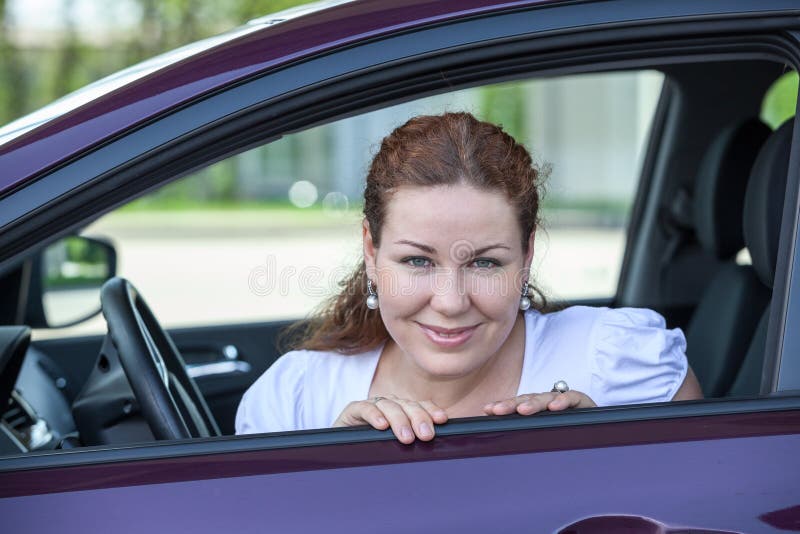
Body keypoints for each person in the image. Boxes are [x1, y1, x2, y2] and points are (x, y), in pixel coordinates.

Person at [235, 112, 702, 443]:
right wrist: (324, 473)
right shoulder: (294, 402)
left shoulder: (619, 363)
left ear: (526, 256)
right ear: (372, 251)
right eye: (418, 261)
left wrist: (608, 453)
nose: (451, 301)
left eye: (485, 263)